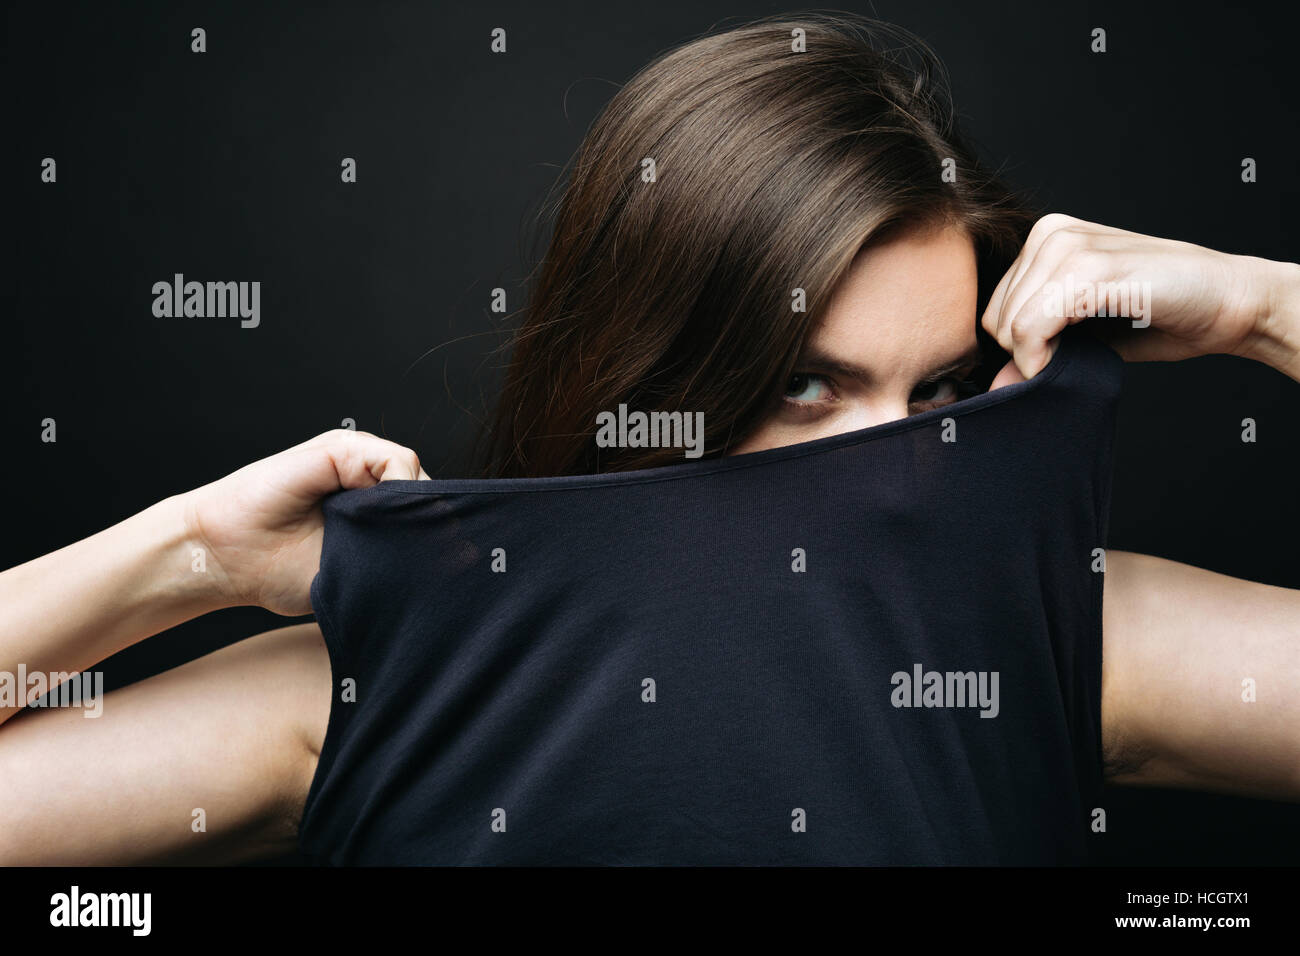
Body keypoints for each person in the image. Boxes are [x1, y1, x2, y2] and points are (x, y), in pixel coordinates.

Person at [1, 12, 1297, 864]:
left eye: (943, 394)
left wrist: (1266, 305)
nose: (901, 469)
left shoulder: (1046, 628)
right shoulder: (415, 672)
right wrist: (192, 556)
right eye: (807, 387)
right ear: (667, 372)